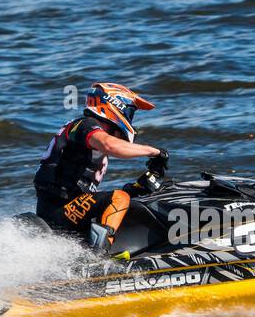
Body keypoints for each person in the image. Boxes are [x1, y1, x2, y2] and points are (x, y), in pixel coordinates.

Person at [33, 82, 168, 251]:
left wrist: (136, 189)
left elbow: (88, 197)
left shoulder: (92, 146)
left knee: (127, 200)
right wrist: (154, 152)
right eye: (130, 112)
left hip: (67, 211)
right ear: (115, 106)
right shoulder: (85, 125)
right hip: (57, 211)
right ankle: (99, 258)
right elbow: (110, 145)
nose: (130, 119)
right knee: (118, 198)